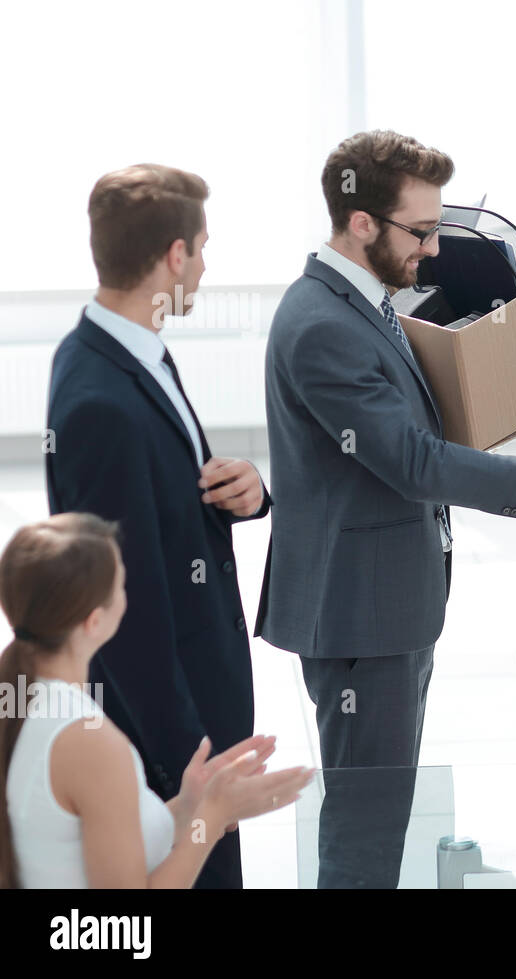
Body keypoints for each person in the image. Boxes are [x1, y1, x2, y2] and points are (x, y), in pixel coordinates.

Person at [255, 130, 516, 887]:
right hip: (361, 615)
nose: (436, 249)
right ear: (361, 224)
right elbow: (410, 462)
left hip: (385, 605)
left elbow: (410, 429)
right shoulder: (322, 326)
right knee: (365, 826)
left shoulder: (361, 305)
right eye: (422, 230)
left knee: (377, 813)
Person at [45, 164, 272, 888]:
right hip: (172, 748)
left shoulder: (124, 350)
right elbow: (127, 610)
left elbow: (162, 504)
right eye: (201, 248)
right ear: (174, 255)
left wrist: (248, 494)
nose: (205, 267)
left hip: (194, 719)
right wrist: (192, 766)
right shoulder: (99, 403)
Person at [0, 513, 312, 888]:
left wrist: (188, 805)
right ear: (93, 622)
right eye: (121, 585)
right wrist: (211, 819)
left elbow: (78, 841)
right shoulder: (91, 744)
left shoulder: (24, 703)